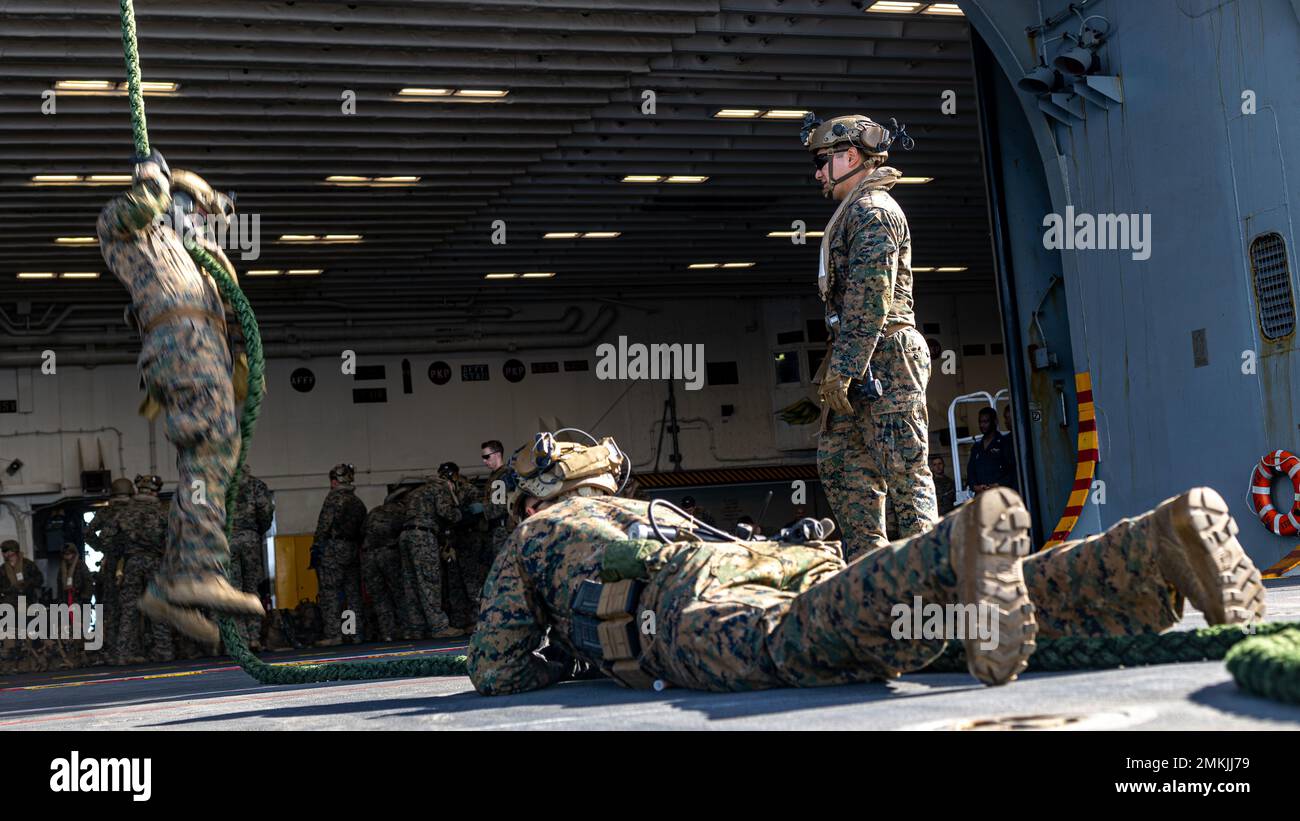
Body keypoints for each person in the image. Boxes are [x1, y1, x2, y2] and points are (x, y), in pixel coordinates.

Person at [467, 432, 1266, 696]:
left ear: (536, 494)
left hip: (677, 602)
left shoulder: (536, 534)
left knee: (794, 641)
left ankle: (947, 549)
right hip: (761, 553)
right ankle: (1150, 549)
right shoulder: (648, 508)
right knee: (948, 628)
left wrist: (558, 668)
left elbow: (494, 667)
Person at [97, 151, 263, 645]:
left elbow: (235, 317)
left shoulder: (205, 264)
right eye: (193, 211)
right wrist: (155, 174)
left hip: (204, 353)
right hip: (180, 347)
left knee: (210, 458)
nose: (199, 222)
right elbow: (144, 202)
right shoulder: (130, 230)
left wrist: (245, 367)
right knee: (211, 450)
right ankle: (195, 574)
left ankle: (174, 583)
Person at [803, 112, 936, 560]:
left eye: (824, 161)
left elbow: (870, 297)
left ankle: (928, 584)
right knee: (841, 464)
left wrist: (843, 369)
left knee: (904, 474)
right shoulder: (853, 212)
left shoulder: (872, 211)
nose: (818, 172)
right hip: (860, 358)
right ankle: (870, 576)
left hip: (885, 355)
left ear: (852, 156)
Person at [397, 469, 465, 639]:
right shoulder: (440, 488)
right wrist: (460, 514)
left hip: (405, 536)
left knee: (411, 583)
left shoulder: (416, 491)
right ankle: (439, 626)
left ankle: (416, 628)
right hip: (423, 536)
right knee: (430, 581)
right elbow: (445, 512)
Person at [115, 475, 175, 664]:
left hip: (131, 562)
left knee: (129, 609)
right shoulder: (162, 512)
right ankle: (163, 650)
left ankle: (124, 653)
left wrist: (118, 555)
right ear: (154, 491)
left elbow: (110, 538)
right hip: (155, 563)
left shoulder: (125, 512)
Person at [311, 464, 367, 647]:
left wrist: (317, 546)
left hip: (333, 550)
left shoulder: (333, 499)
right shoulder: (357, 502)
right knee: (352, 594)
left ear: (334, 481)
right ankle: (353, 632)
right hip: (351, 550)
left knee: (331, 593)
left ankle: (335, 634)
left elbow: (324, 526)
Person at [86, 476, 136, 659]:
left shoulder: (106, 512)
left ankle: (114, 649)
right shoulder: (135, 510)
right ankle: (136, 648)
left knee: (112, 606)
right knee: (135, 606)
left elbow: (87, 532)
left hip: (111, 562)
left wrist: (102, 547)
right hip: (133, 561)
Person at [360, 488, 412, 642]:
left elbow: (362, 532)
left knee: (379, 597)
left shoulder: (375, 511)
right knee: (399, 593)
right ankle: (407, 630)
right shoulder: (402, 511)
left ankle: (387, 632)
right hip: (389, 554)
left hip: (368, 556)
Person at [230, 470, 274, 650]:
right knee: (251, 589)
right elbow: (266, 511)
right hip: (251, 539)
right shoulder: (256, 484)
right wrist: (256, 531)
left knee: (234, 591)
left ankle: (241, 638)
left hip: (229, 540)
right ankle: (254, 637)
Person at [0, 539, 46, 673]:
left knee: (32, 631)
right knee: (10, 634)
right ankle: (13, 661)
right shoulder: (3, 569)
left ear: (14, 551)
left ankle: (39, 658)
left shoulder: (28, 565)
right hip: (10, 604)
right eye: (4, 552)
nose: (6, 555)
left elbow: (39, 580)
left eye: (8, 551)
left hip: (27, 602)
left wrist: (27, 585)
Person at [55, 543, 95, 669]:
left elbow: (88, 582)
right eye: (65, 554)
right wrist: (60, 601)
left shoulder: (81, 565)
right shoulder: (62, 568)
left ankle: (84, 656)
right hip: (67, 601)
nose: (68, 557)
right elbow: (59, 586)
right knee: (67, 630)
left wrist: (85, 599)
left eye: (70, 554)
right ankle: (72, 657)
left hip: (79, 601)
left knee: (80, 630)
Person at [967, 407, 1016, 493]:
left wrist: (998, 484)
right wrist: (975, 486)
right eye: (980, 422)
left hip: (1001, 494)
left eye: (986, 422)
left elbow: (1013, 471)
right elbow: (971, 471)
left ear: (995, 421)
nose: (982, 425)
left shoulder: (1005, 443)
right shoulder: (976, 447)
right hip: (981, 497)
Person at [481, 440, 512, 558]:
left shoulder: (503, 475)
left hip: (502, 530)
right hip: (495, 529)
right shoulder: (495, 476)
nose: (484, 461)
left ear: (498, 454)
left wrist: (482, 509)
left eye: (486, 457)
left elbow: (499, 508)